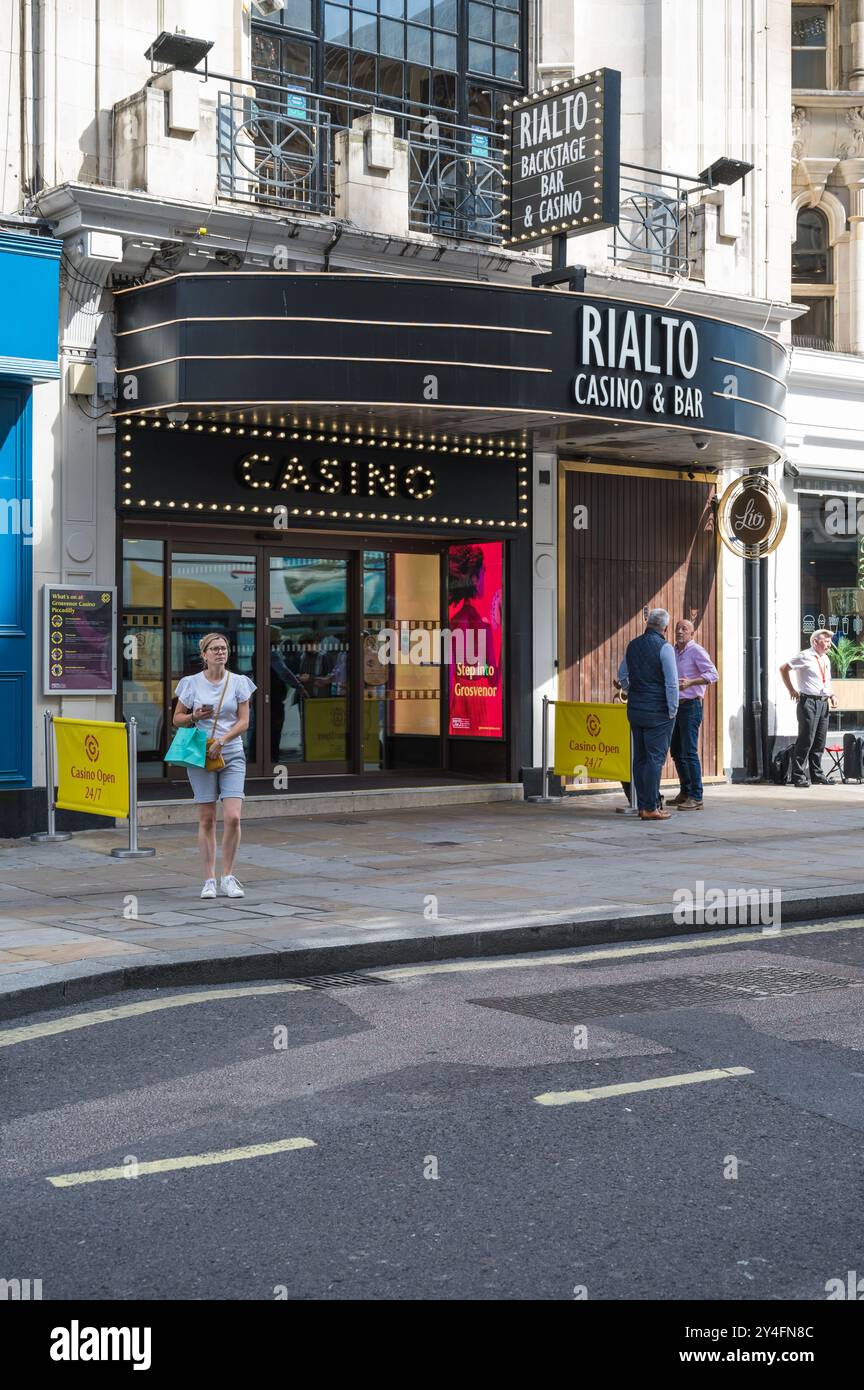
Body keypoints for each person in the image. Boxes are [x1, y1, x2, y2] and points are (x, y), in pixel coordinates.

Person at [173, 632, 256, 898]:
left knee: (233, 816)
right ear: (204, 655)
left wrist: (223, 739)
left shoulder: (239, 683)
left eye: (223, 648)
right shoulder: (191, 683)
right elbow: (177, 719)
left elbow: (244, 721)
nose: (220, 652)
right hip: (201, 754)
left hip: (231, 753)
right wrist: (194, 715)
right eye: (214, 648)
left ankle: (228, 877)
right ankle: (209, 879)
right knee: (207, 818)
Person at [617, 609, 679, 821]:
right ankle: (650, 807)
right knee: (655, 759)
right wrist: (673, 709)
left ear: (648, 623)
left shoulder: (633, 645)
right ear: (666, 628)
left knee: (640, 758)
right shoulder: (665, 648)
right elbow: (671, 683)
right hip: (658, 712)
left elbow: (622, 674)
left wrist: (630, 689)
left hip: (635, 709)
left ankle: (643, 805)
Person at [669, 619, 719, 810]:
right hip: (674, 706)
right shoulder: (672, 651)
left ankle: (697, 797)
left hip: (691, 706)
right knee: (676, 751)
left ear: (692, 633)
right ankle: (685, 791)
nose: (680, 632)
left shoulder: (696, 651)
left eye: (684, 629)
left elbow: (713, 675)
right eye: (677, 629)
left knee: (689, 751)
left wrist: (690, 683)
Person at [779, 628, 838, 787]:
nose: (829, 645)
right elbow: (783, 668)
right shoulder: (805, 655)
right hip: (808, 702)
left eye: (829, 642)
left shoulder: (825, 659)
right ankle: (798, 776)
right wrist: (791, 689)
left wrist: (832, 695)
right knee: (806, 739)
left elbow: (827, 681)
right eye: (826, 642)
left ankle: (817, 774)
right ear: (815, 642)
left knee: (819, 740)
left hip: (823, 702)